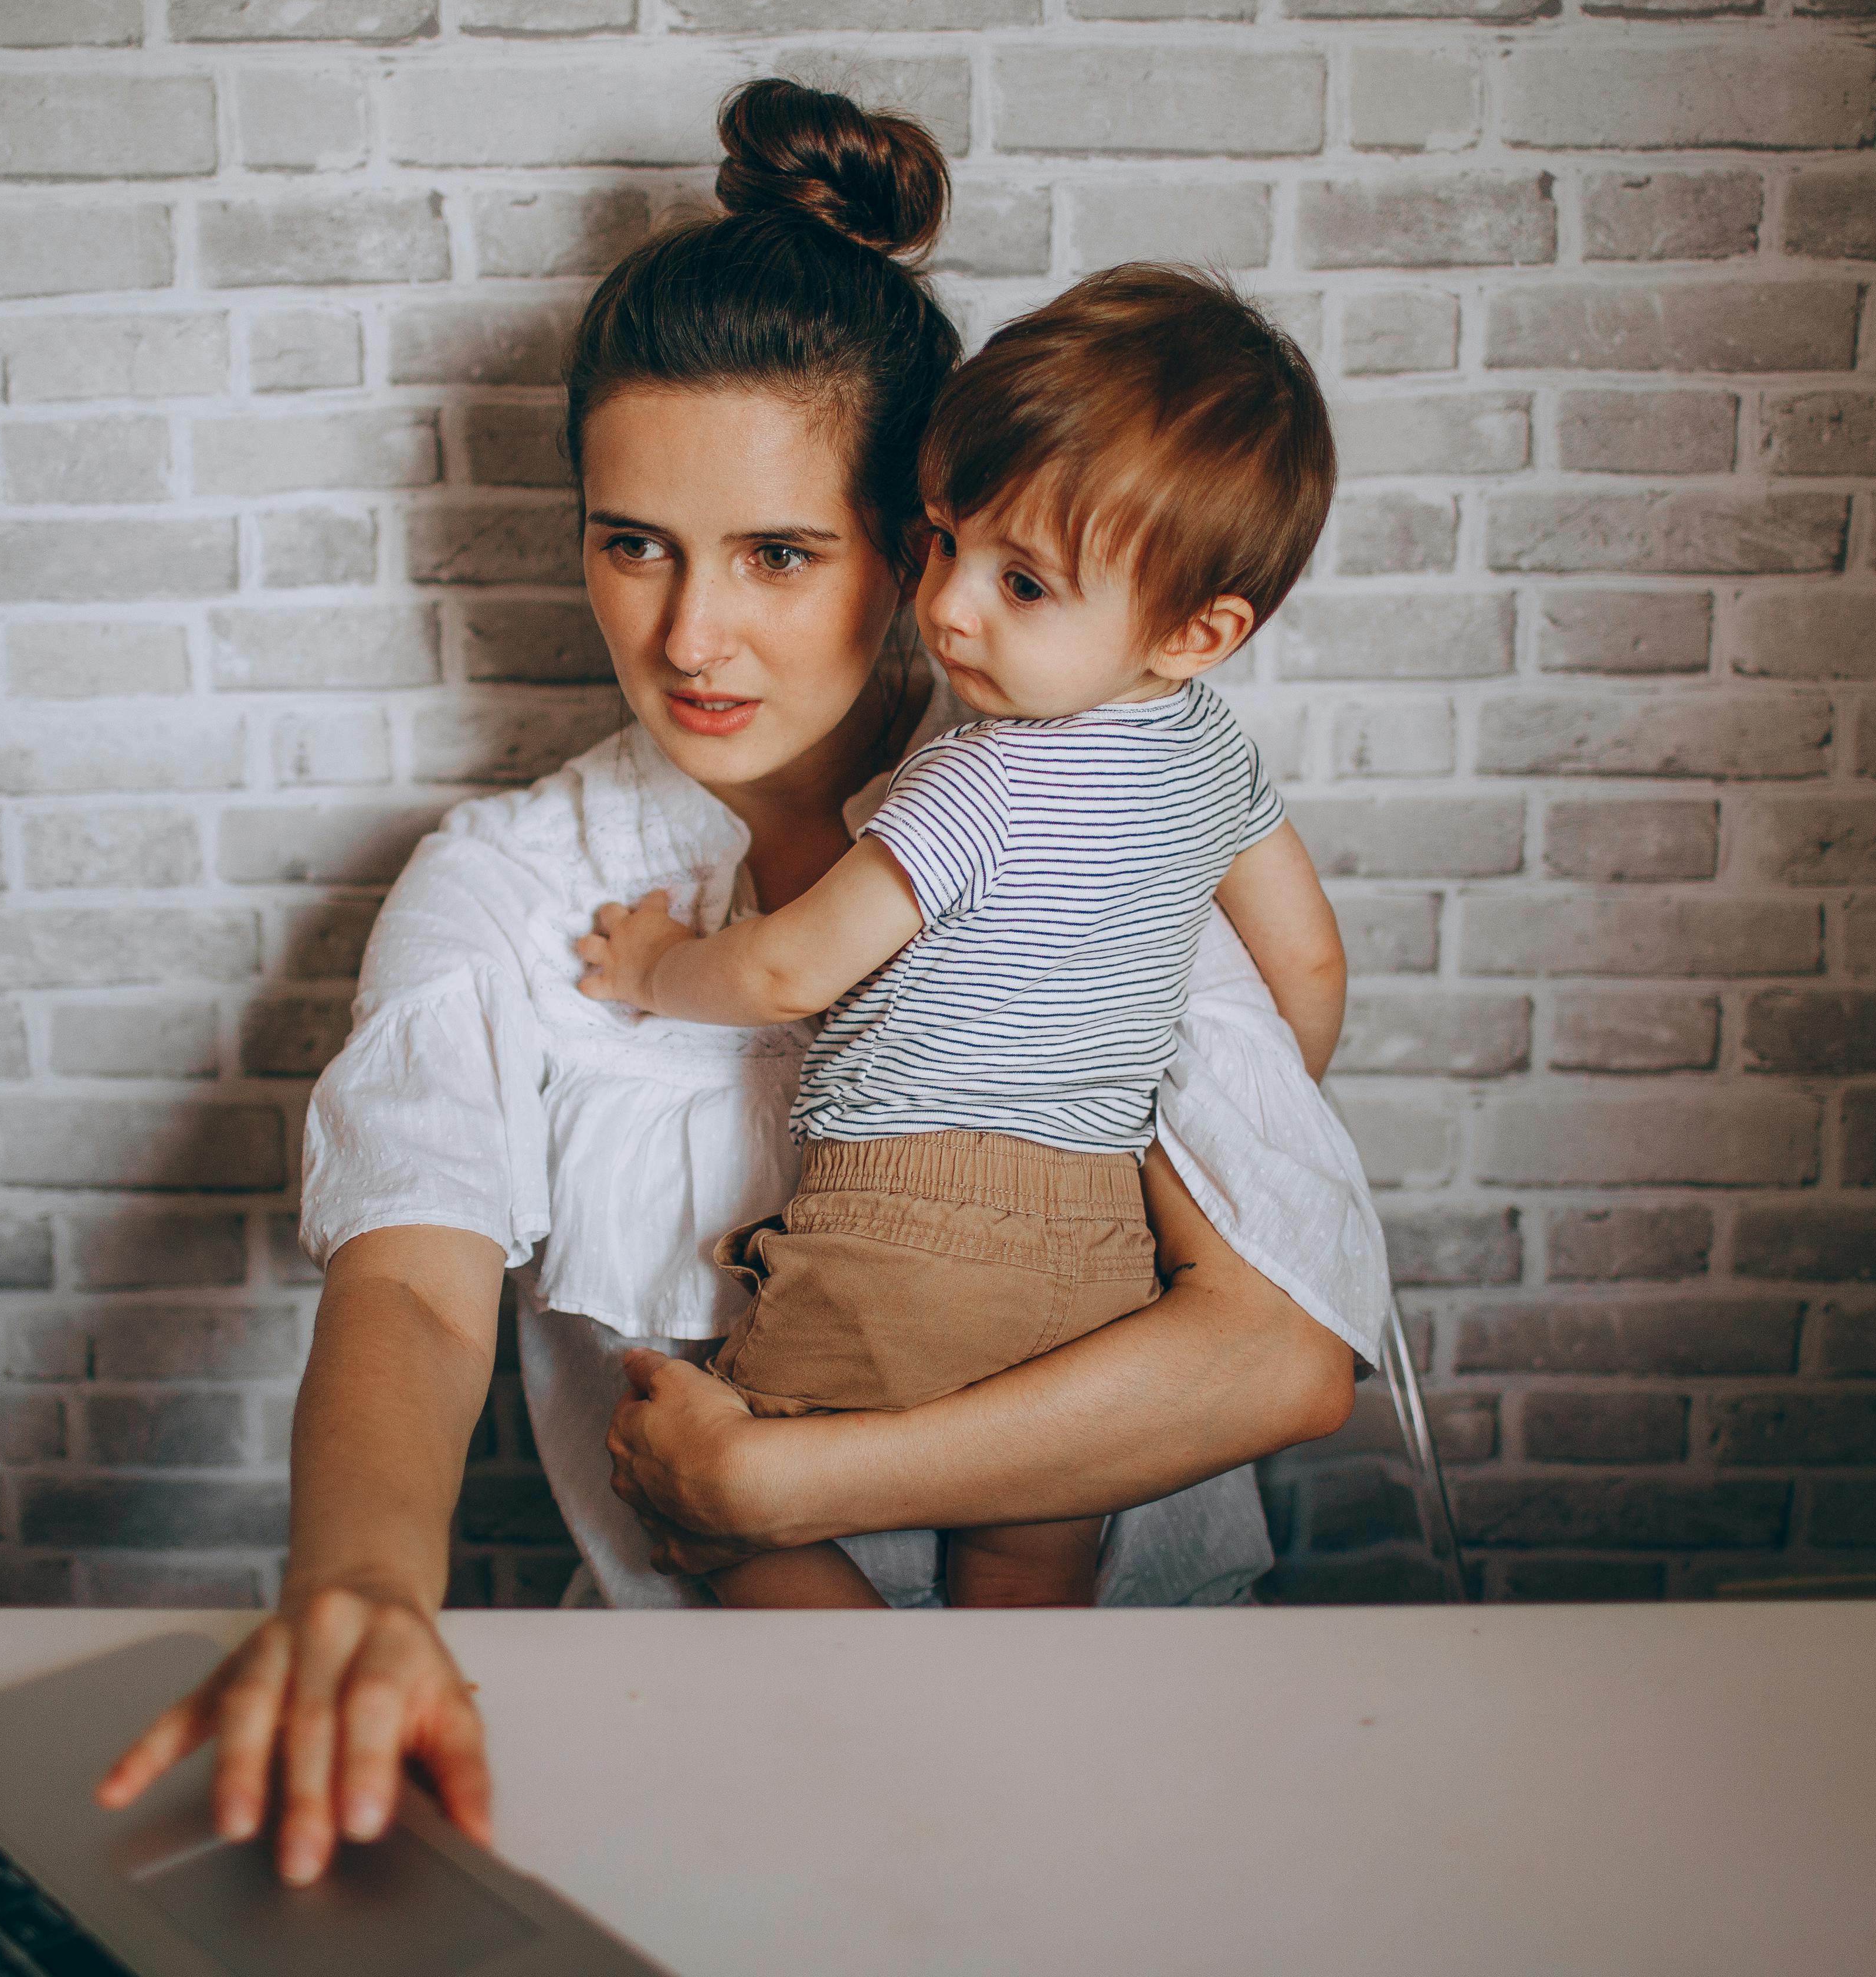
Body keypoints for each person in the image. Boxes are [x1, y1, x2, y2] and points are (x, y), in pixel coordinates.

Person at [96, 80, 1394, 1888]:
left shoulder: (1086, 815)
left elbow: (1273, 1355)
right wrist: (360, 1595)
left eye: (778, 553)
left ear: (921, 541)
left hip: (1128, 1751)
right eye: (635, 543)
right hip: (711, 1769)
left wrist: (778, 1484)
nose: (688, 635)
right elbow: (407, 1293)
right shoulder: (508, 885)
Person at [572, 266, 1351, 1612]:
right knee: (1028, 1537)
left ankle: (868, 1721)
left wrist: (650, 969)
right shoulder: (1215, 759)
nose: (951, 609)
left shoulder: (973, 782)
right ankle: (1002, 1781)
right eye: (943, 542)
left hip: (902, 1222)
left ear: (1198, 628)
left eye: (1026, 584)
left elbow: (784, 969)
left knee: (728, 1514)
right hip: (1097, 1240)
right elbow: (1308, 972)